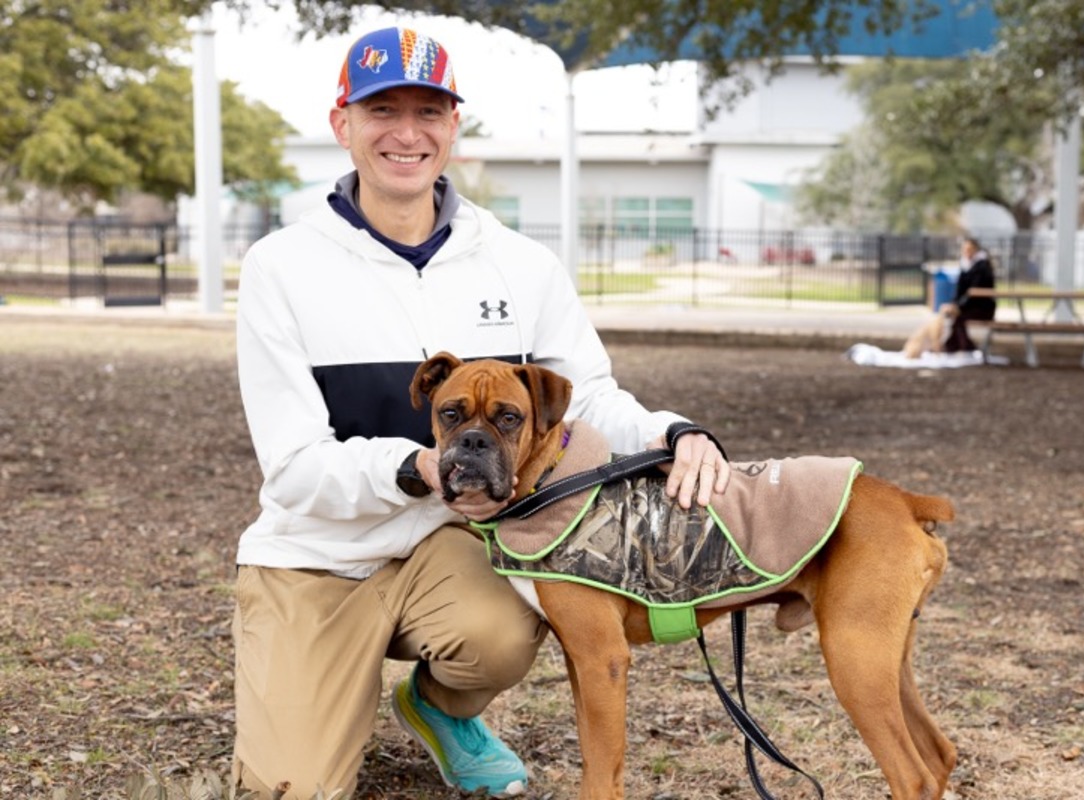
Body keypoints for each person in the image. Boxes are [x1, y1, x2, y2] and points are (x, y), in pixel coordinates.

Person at [231, 25, 730, 800]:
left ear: (453, 126)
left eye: (429, 112)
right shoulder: (281, 267)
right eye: (381, 110)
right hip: (316, 556)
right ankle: (318, 689)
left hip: (452, 543)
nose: (406, 133)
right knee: (287, 787)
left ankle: (437, 707)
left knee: (503, 632)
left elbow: (585, 394)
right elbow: (293, 466)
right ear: (343, 125)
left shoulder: (519, 262)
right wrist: (418, 468)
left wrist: (672, 430)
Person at [941, 237, 996, 353]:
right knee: (955, 317)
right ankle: (958, 346)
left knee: (959, 317)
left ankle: (962, 346)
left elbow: (975, 292)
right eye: (964, 249)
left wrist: (959, 307)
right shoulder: (965, 266)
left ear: (976, 250)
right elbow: (959, 291)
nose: (967, 252)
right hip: (967, 306)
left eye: (969, 249)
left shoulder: (982, 267)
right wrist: (954, 304)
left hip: (982, 308)